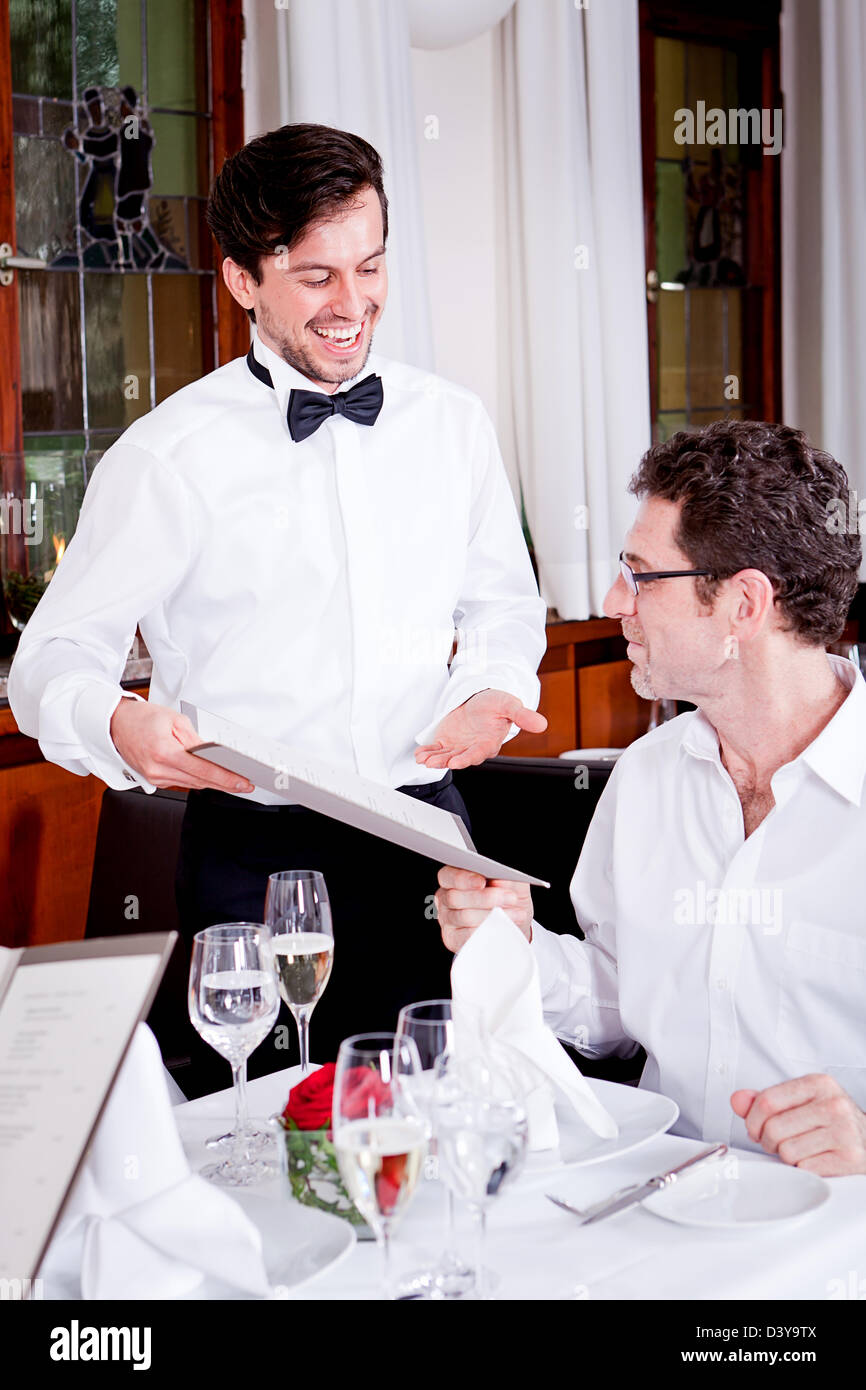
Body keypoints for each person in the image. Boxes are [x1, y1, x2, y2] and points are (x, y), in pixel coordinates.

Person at [9, 123, 547, 1092]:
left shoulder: (452, 425)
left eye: (370, 266)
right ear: (241, 280)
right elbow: (48, 663)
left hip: (428, 845)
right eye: (315, 276)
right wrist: (117, 722)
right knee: (263, 1142)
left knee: (449, 1119)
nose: (353, 305)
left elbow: (506, 605)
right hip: (254, 862)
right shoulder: (165, 456)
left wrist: (491, 684)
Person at [436, 419, 866, 1177]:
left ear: (744, 606)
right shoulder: (646, 776)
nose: (612, 601)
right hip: (658, 1202)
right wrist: (517, 948)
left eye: (640, 574)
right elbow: (621, 1001)